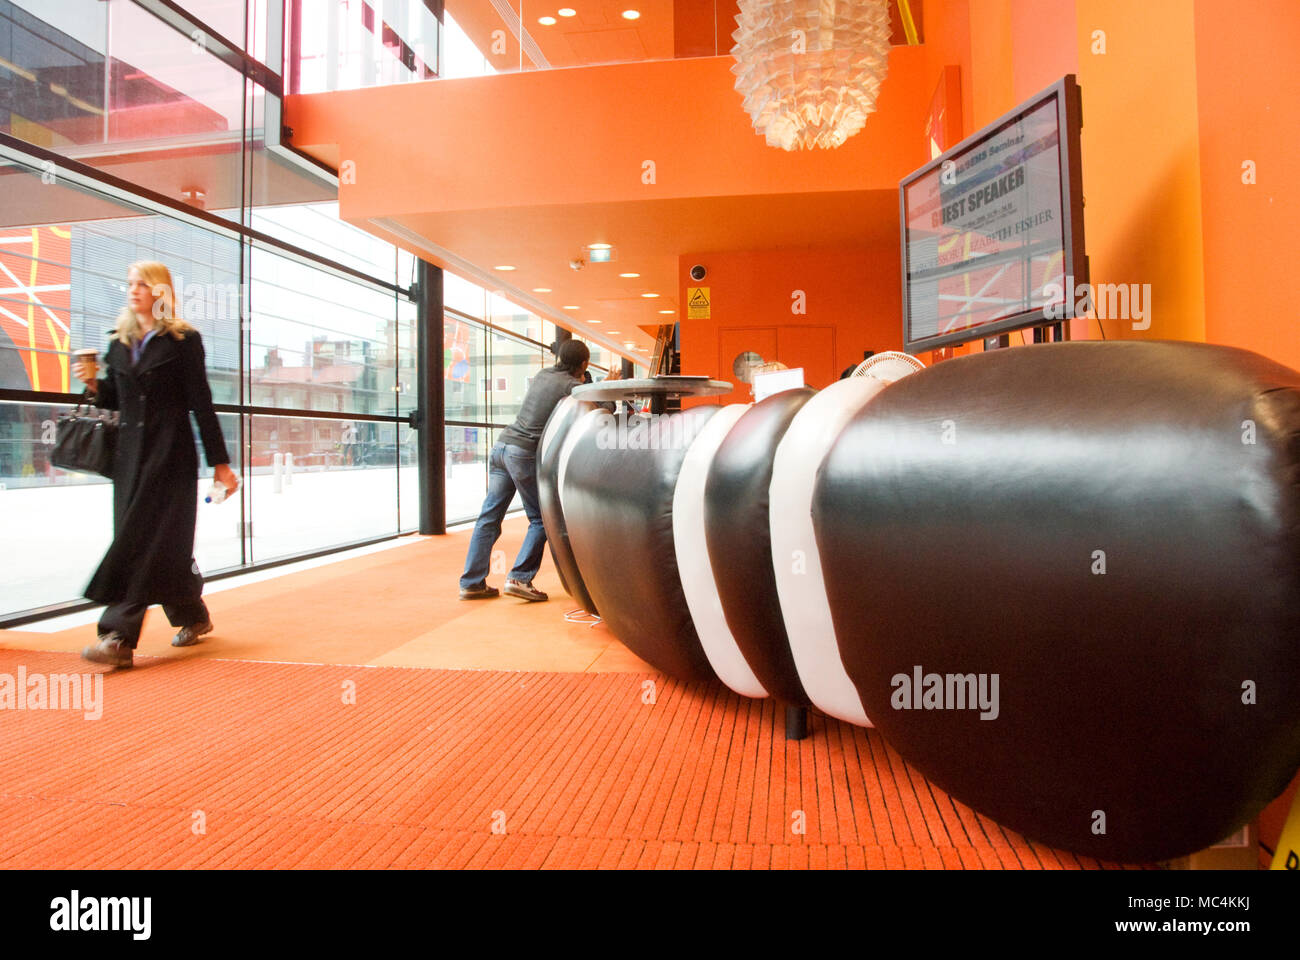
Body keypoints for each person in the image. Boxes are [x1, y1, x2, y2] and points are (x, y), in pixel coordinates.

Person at [72, 261, 237, 668]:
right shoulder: (118, 343)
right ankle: (192, 615)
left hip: (171, 455)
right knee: (160, 543)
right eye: (129, 283)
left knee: (140, 541)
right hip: (129, 459)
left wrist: (220, 463)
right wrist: (94, 385)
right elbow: (117, 400)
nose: (133, 290)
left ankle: (117, 636)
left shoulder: (183, 340)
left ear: (159, 290)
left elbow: (201, 403)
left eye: (142, 283)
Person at [459, 339, 594, 602]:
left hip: (502, 447)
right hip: (522, 453)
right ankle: (520, 578)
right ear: (584, 364)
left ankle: (471, 582)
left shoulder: (544, 374)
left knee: (489, 517)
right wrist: (592, 381)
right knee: (541, 519)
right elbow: (600, 405)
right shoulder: (571, 385)